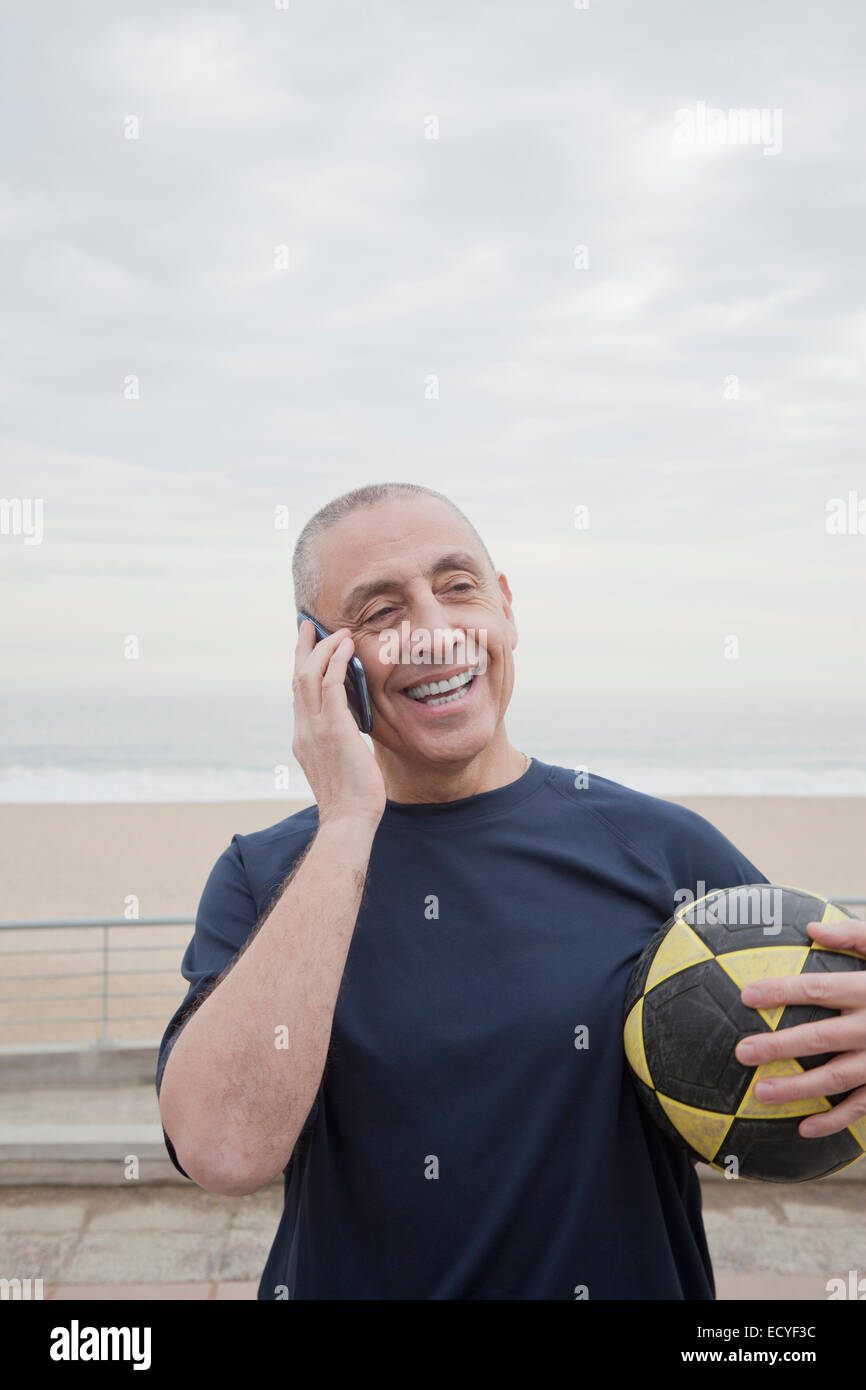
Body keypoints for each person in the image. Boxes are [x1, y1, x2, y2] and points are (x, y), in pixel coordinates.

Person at [155, 482, 866, 1300]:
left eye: (458, 587)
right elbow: (226, 1150)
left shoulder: (664, 851)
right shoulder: (264, 876)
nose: (434, 633)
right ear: (321, 658)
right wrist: (348, 821)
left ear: (507, 609)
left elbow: (811, 1050)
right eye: (381, 612)